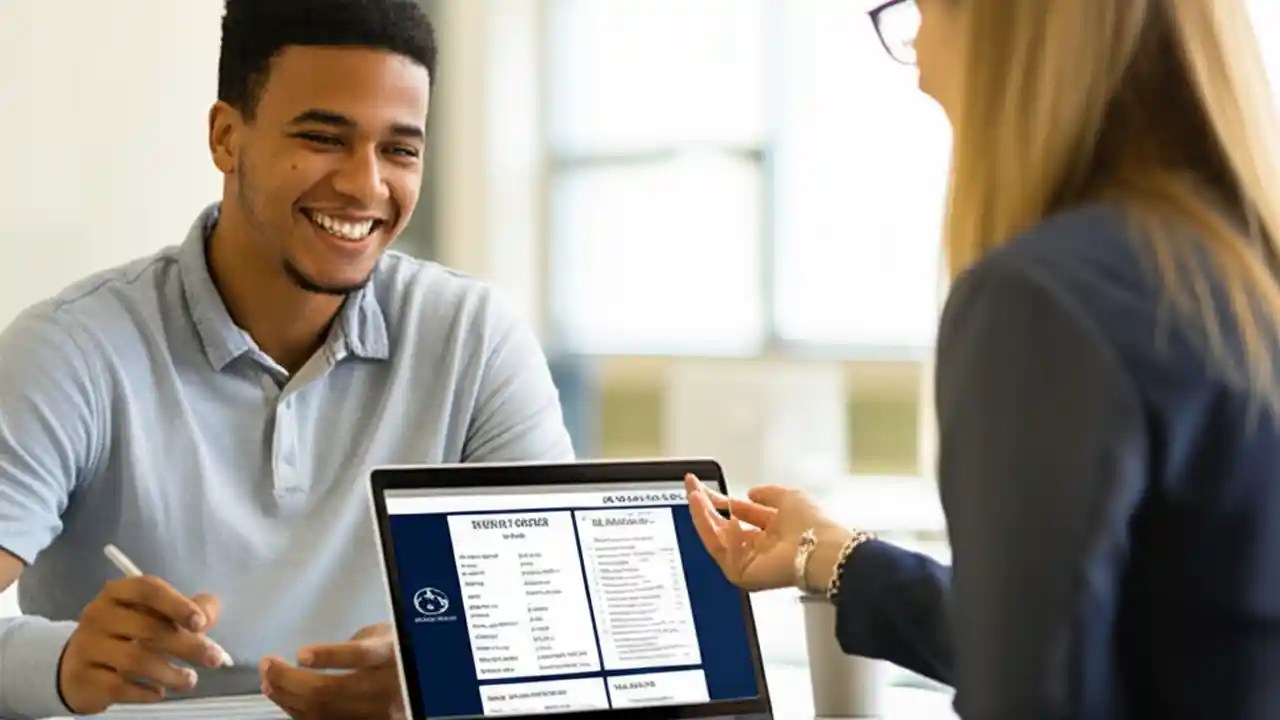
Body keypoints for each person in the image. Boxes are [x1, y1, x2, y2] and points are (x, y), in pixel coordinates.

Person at [686, 0, 1280, 718]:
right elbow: (1136, 640)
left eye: (921, 7)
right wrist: (833, 555)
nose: (918, 60)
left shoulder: (1043, 300)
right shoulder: (1233, 275)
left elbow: (1037, 694)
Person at [0, 1, 573, 718]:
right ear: (226, 138)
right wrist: (60, 662)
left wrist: (444, 672)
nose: (366, 186)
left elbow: (562, 628)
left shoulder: (472, 337)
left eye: (400, 150)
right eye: (324, 138)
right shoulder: (72, 348)